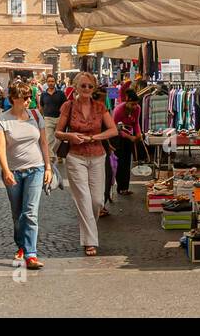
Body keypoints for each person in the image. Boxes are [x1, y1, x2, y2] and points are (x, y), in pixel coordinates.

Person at [54, 72, 118, 256]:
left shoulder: (99, 107)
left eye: (90, 86)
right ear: (75, 87)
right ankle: (90, 241)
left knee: (97, 200)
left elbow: (113, 130)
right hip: (75, 156)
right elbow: (58, 132)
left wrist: (94, 137)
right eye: (83, 86)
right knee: (83, 198)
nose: (87, 89)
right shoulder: (68, 106)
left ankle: (89, 229)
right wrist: (70, 136)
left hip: (98, 156)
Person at [0, 82, 52, 270]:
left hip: (36, 168)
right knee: (17, 214)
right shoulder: (2, 119)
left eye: (29, 97)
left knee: (30, 212)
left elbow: (44, 143)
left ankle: (31, 254)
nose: (29, 100)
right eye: (25, 97)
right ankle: (21, 244)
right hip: (14, 172)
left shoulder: (36, 116)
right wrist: (6, 170)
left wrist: (48, 167)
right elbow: (1, 147)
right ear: (13, 99)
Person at [111, 88, 143, 197]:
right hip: (118, 137)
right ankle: (120, 188)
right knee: (120, 163)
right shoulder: (119, 110)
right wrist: (129, 137)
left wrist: (138, 134)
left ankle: (126, 187)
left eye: (136, 104)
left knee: (127, 162)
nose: (135, 107)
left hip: (129, 136)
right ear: (127, 101)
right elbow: (114, 128)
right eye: (132, 104)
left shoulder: (137, 108)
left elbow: (136, 123)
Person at [38, 77, 67, 188]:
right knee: (49, 138)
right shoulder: (44, 95)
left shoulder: (60, 94)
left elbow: (65, 106)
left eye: (52, 81)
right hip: (48, 119)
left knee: (59, 139)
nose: (50, 83)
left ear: (55, 83)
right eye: (49, 81)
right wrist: (40, 118)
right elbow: (41, 107)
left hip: (59, 118)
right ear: (46, 83)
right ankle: (50, 157)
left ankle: (58, 154)